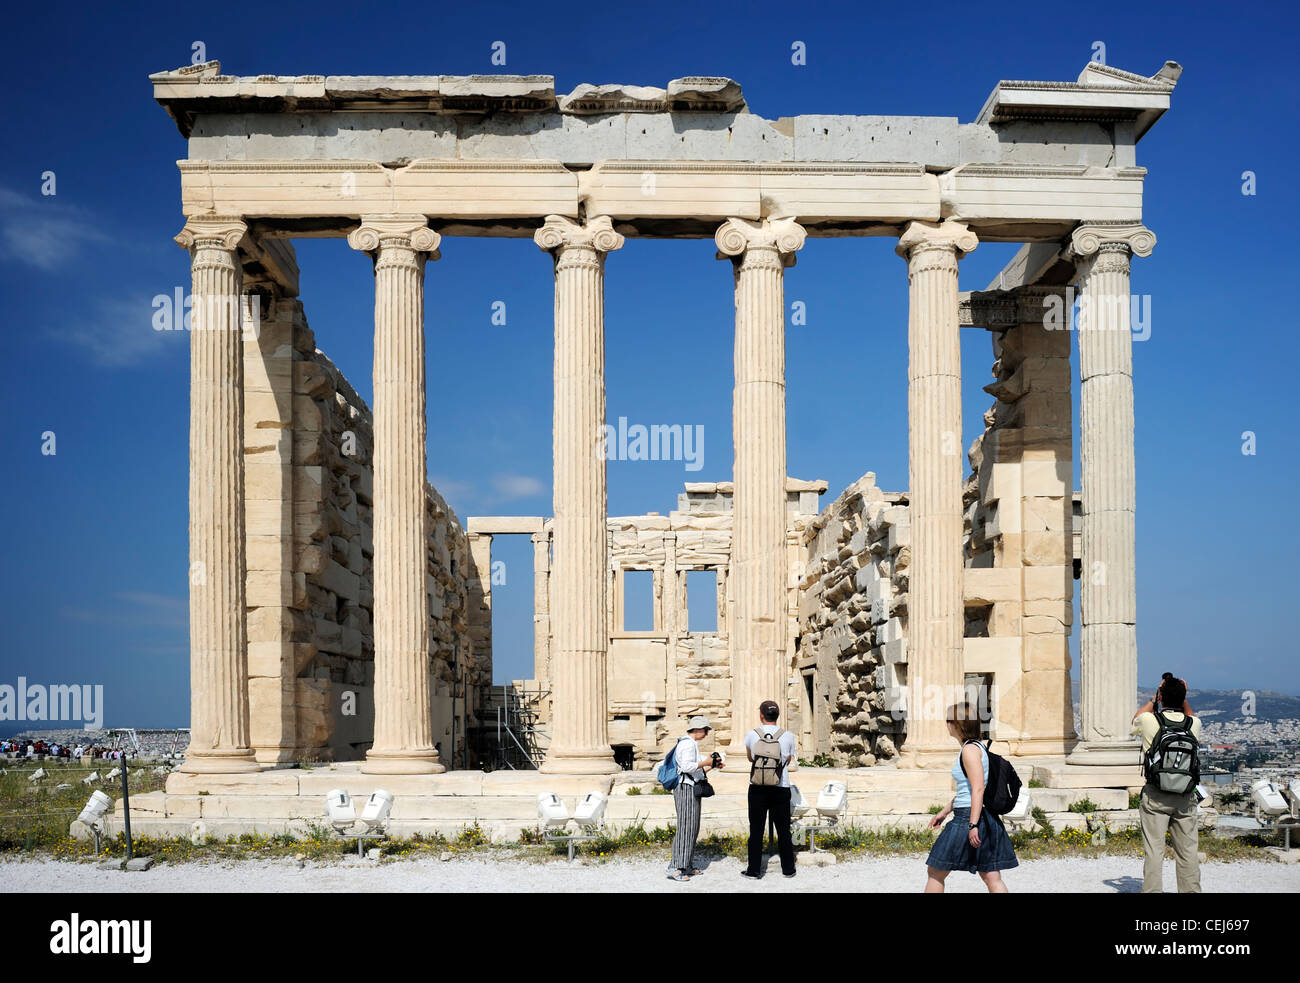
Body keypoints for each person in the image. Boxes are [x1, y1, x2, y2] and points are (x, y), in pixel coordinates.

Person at [924, 702, 1018, 893]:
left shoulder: (969, 750)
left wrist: (973, 825)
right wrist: (943, 812)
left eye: (948, 719)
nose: (946, 723)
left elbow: (977, 789)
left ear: (957, 724)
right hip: (982, 815)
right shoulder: (976, 747)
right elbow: (966, 790)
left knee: (936, 870)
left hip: (969, 817)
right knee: (991, 876)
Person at [1133, 674, 1202, 893]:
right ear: (1182, 699)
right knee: (1188, 851)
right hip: (1185, 796)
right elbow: (1190, 716)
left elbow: (1136, 718)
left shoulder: (1149, 720)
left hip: (1156, 794)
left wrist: (1155, 698)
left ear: (1161, 696)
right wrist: (1182, 697)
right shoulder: (1193, 723)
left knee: (1154, 850)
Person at [741, 700, 798, 879]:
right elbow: (788, 760)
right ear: (778, 715)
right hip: (780, 786)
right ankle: (788, 869)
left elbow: (750, 758)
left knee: (756, 829)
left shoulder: (752, 734)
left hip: (757, 787)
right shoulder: (787, 736)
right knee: (783, 829)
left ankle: (754, 870)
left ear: (761, 715)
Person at [668, 715, 723, 882]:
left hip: (691, 787)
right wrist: (705, 761)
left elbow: (695, 771)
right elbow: (685, 767)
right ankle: (676, 868)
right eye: (705, 730)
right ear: (698, 729)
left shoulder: (691, 744)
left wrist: (711, 765)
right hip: (685, 788)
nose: (706, 734)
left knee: (692, 827)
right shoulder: (687, 744)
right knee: (686, 828)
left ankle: (686, 865)